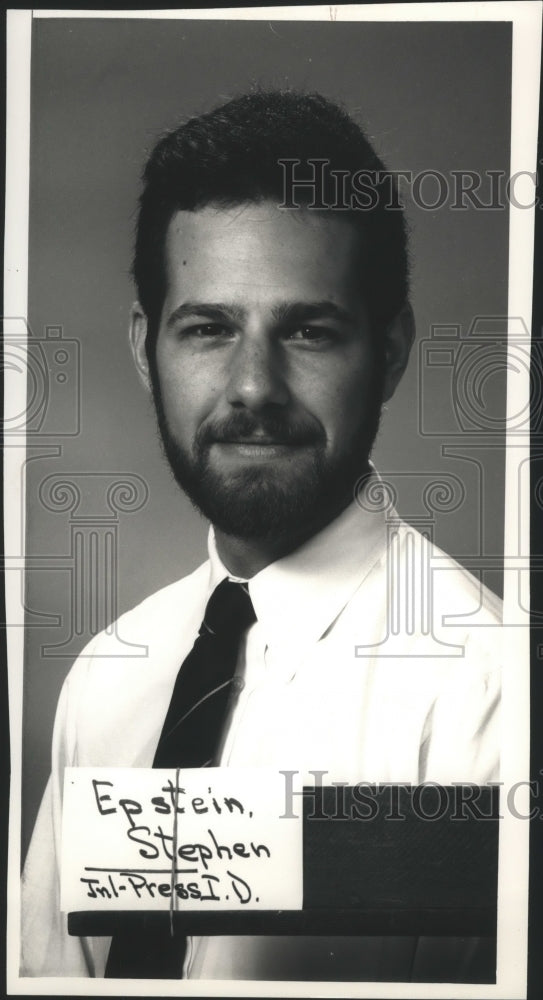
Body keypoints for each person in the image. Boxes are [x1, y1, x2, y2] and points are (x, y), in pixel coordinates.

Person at [21, 90, 501, 982]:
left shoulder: (485, 705)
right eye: (206, 328)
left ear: (389, 352)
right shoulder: (108, 673)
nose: (252, 387)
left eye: (308, 330)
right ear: (144, 349)